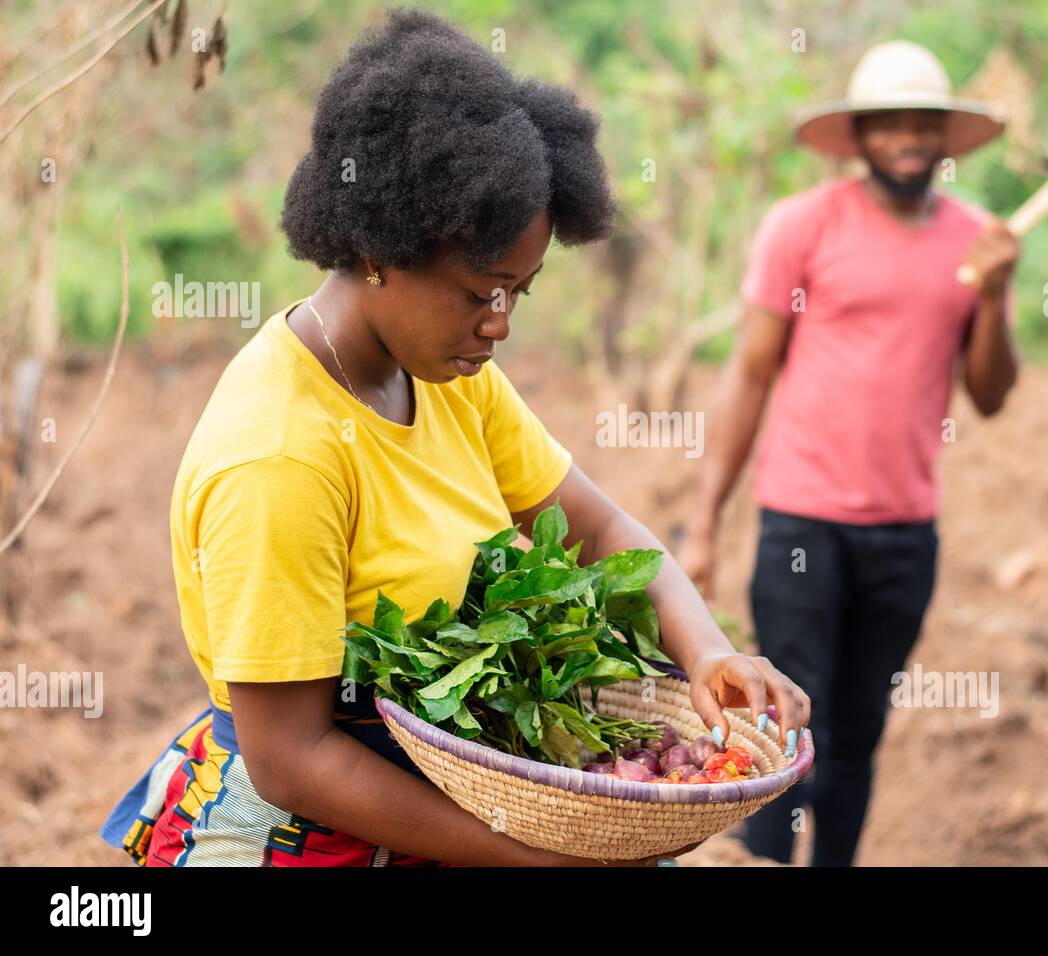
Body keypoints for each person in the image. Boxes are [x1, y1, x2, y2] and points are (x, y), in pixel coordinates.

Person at [99, 8, 810, 868]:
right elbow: (292, 758)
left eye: (522, 291)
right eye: (483, 292)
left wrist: (711, 654)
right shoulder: (281, 455)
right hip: (318, 825)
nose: (501, 323)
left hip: (460, 797)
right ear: (376, 251)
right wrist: (534, 858)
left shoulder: (446, 377)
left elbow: (604, 533)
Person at [677, 40, 1020, 866]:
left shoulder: (980, 244)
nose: (907, 137)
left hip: (906, 533)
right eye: (889, 123)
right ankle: (763, 862)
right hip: (801, 523)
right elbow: (750, 373)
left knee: (861, 732)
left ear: (945, 137)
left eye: (923, 124)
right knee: (791, 727)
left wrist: (998, 295)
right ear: (859, 135)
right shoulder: (802, 226)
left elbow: (991, 394)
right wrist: (704, 522)